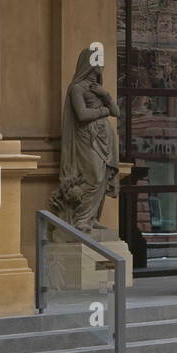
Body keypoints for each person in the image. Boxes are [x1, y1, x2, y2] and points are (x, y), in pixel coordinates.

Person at [50, 46, 120, 232]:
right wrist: (103, 110)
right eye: (99, 61)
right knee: (94, 177)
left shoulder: (99, 90)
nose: (103, 65)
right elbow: (81, 114)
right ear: (90, 63)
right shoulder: (77, 88)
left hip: (105, 140)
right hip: (87, 139)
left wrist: (105, 96)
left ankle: (92, 217)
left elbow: (117, 112)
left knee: (102, 178)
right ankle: (81, 218)